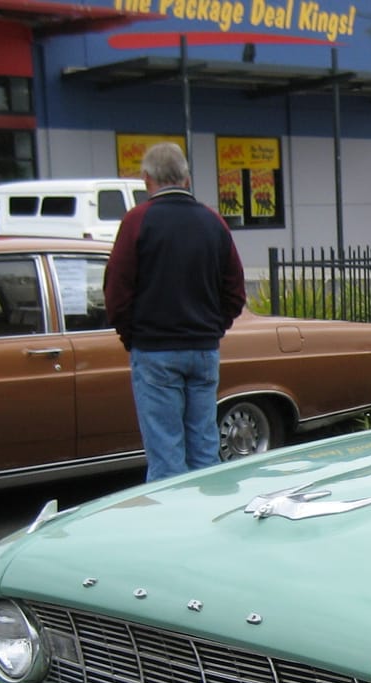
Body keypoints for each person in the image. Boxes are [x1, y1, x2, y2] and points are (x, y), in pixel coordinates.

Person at [105, 142, 246, 481]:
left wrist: (132, 336)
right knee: (204, 449)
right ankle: (206, 520)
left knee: (166, 455)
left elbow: (116, 292)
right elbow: (235, 292)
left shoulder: (137, 221)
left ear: (146, 180)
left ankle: (173, 527)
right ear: (186, 178)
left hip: (154, 350)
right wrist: (214, 327)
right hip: (203, 349)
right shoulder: (213, 222)